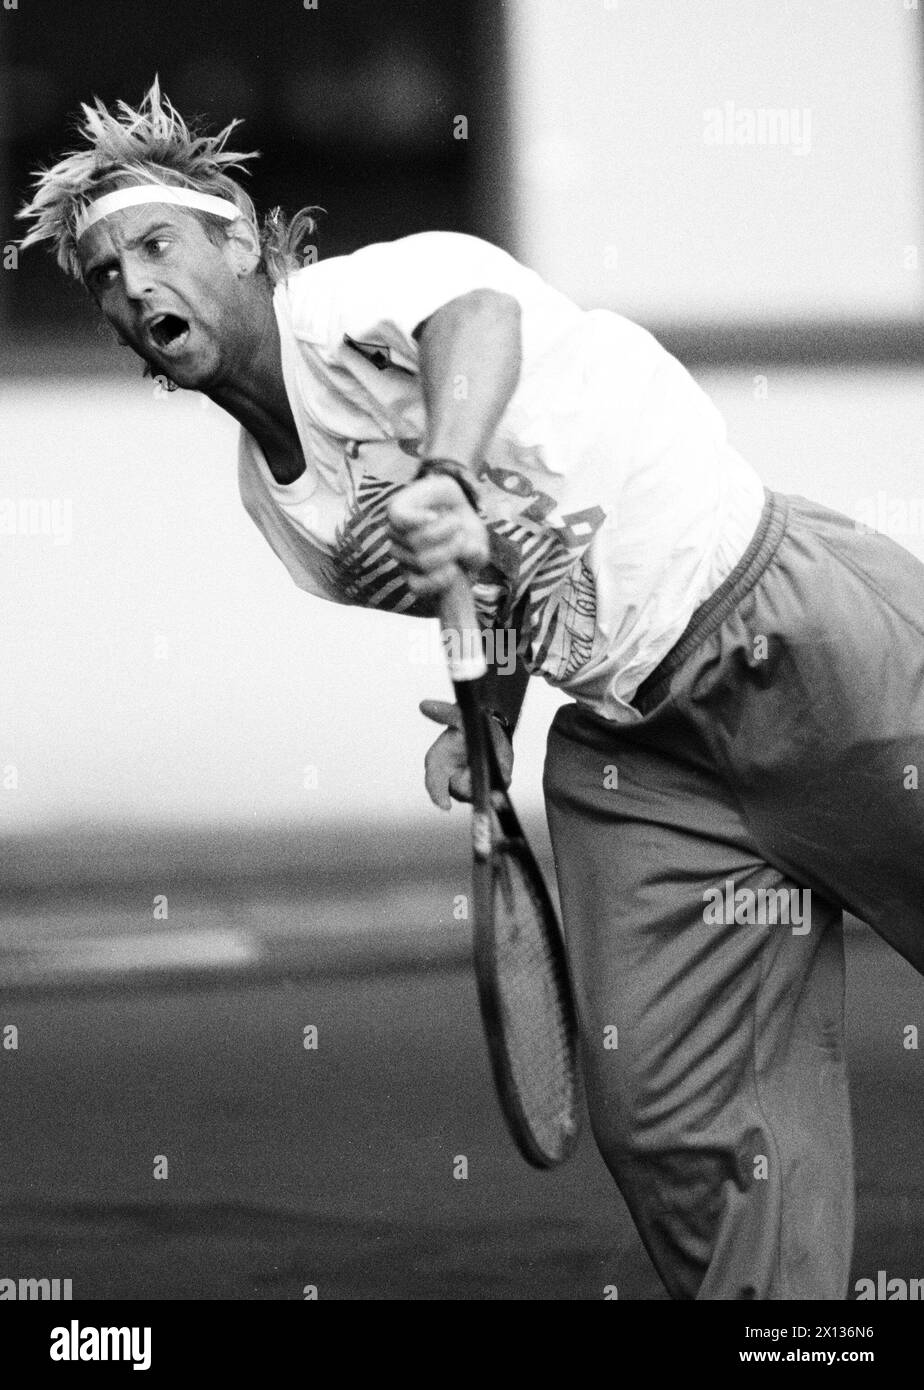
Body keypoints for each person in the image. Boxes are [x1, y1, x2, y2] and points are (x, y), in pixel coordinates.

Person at [19, 81, 924, 1300]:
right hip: (642, 753)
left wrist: (443, 470)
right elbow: (487, 593)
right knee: (669, 1116)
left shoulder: (354, 300)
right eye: (103, 278)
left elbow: (479, 319)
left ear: (236, 239)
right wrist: (487, 726)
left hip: (793, 626)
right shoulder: (287, 512)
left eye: (153, 245)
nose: (130, 285)